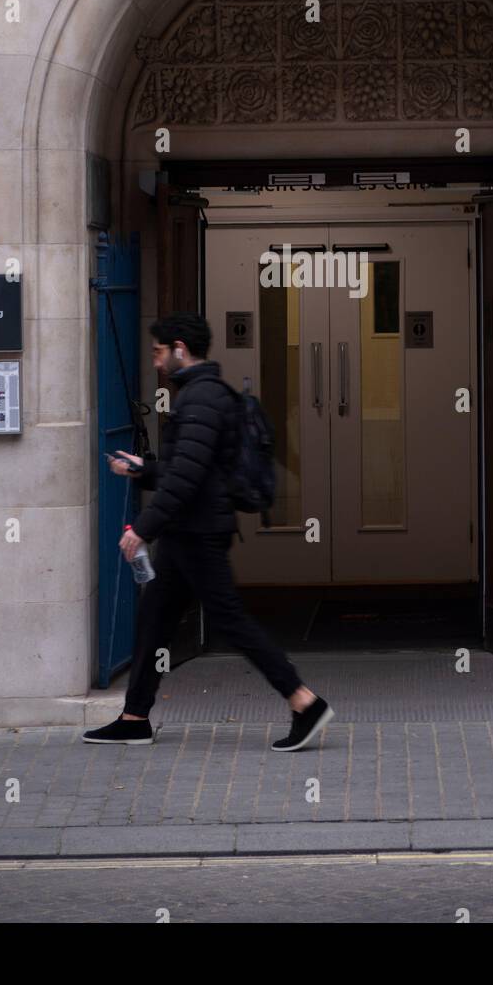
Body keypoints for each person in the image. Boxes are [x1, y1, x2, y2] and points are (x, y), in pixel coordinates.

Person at [83, 311, 334, 752]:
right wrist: (143, 470)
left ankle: (303, 701)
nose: (157, 363)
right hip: (187, 533)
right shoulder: (202, 395)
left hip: (198, 533)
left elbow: (188, 478)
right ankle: (134, 717)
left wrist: (141, 529)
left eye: (160, 352)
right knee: (154, 619)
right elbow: (189, 469)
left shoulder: (199, 399)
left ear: (180, 348)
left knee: (230, 620)